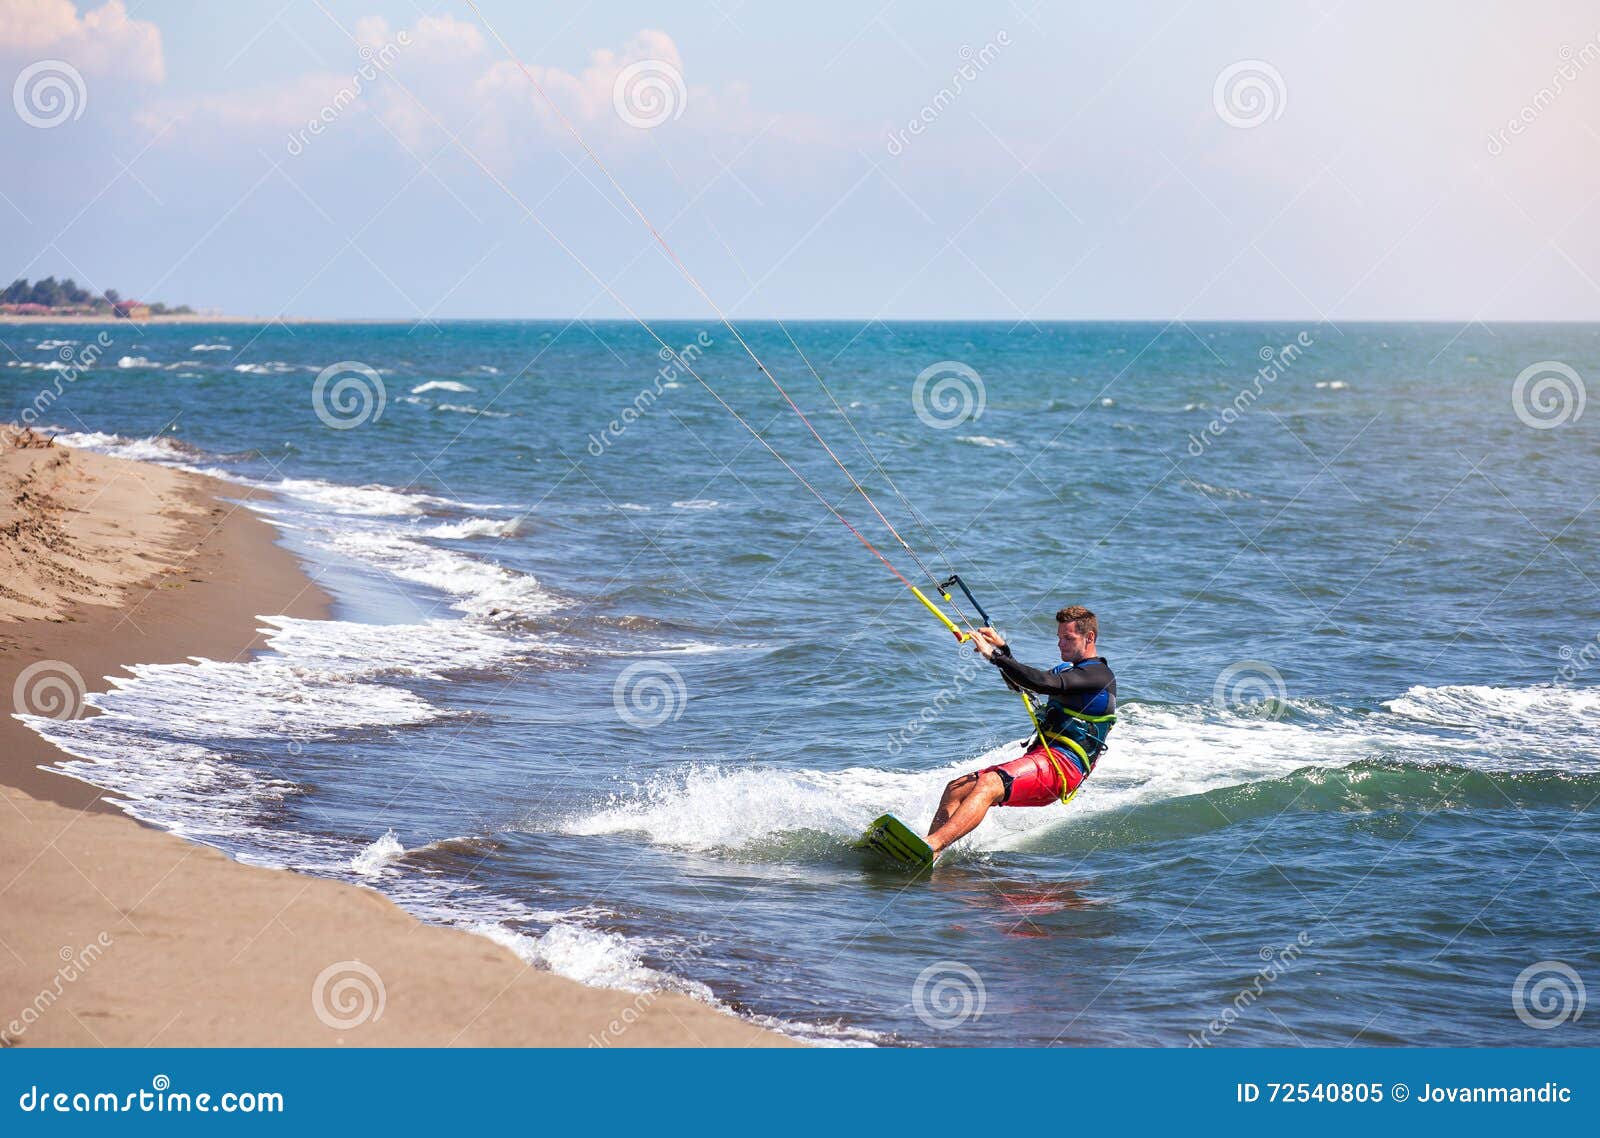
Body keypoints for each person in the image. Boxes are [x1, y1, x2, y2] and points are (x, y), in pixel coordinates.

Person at [924, 605, 1116, 856]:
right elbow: (1023, 684)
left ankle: (931, 845)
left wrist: (996, 657)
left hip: (1063, 767)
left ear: (1089, 638)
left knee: (990, 784)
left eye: (1068, 638)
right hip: (1043, 758)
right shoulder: (1067, 671)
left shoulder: (1100, 675)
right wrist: (1004, 652)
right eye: (1059, 638)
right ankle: (929, 852)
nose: (1061, 644)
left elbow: (1044, 683)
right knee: (955, 789)